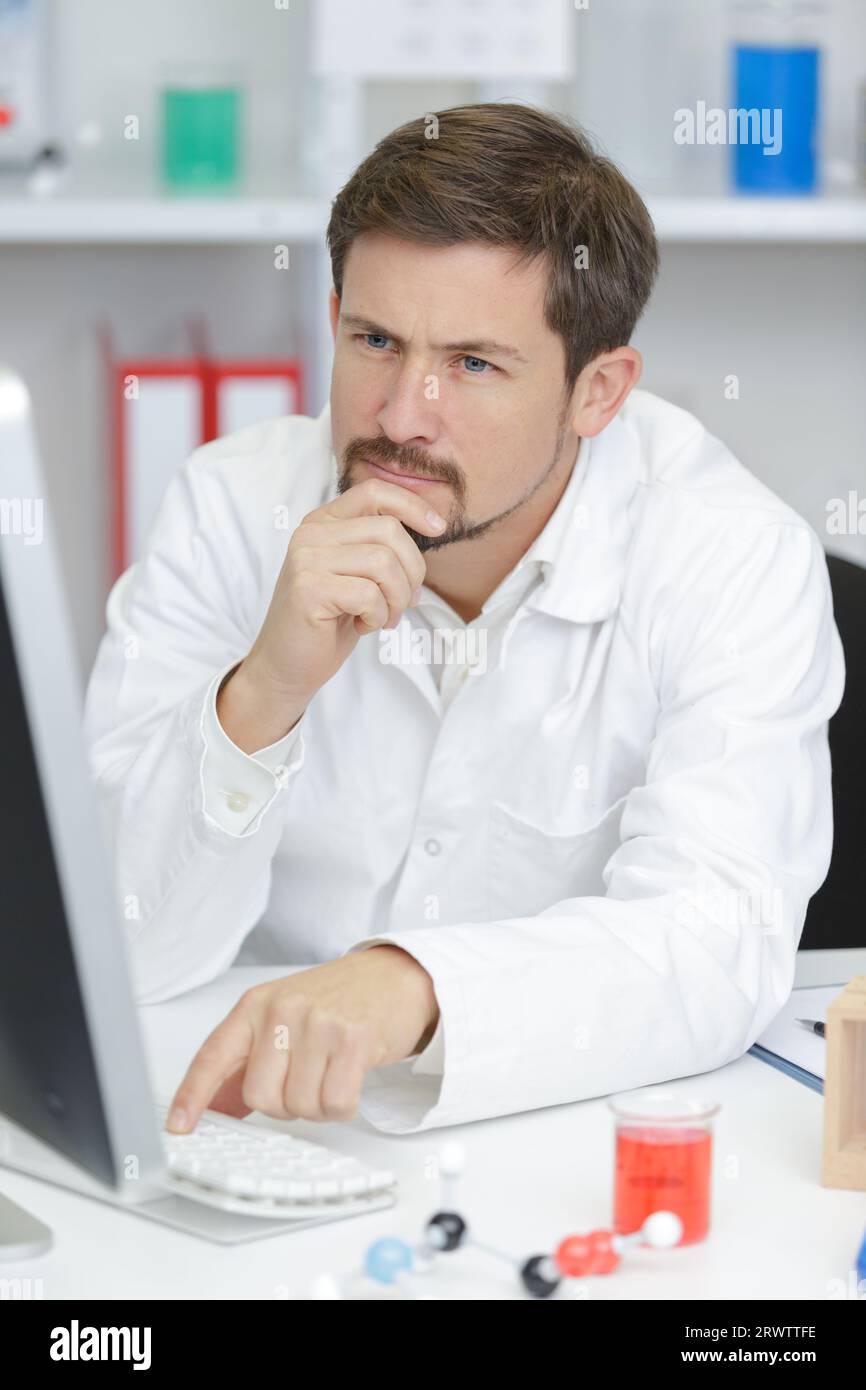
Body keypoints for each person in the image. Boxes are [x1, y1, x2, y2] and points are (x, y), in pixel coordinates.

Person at [84, 103, 844, 1137]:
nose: (401, 414)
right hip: (242, 1119)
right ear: (334, 316)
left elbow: (712, 943)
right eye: (376, 340)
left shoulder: (730, 555)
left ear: (597, 391)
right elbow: (114, 946)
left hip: (560, 1135)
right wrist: (261, 692)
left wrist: (411, 985)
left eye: (474, 364)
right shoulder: (228, 507)